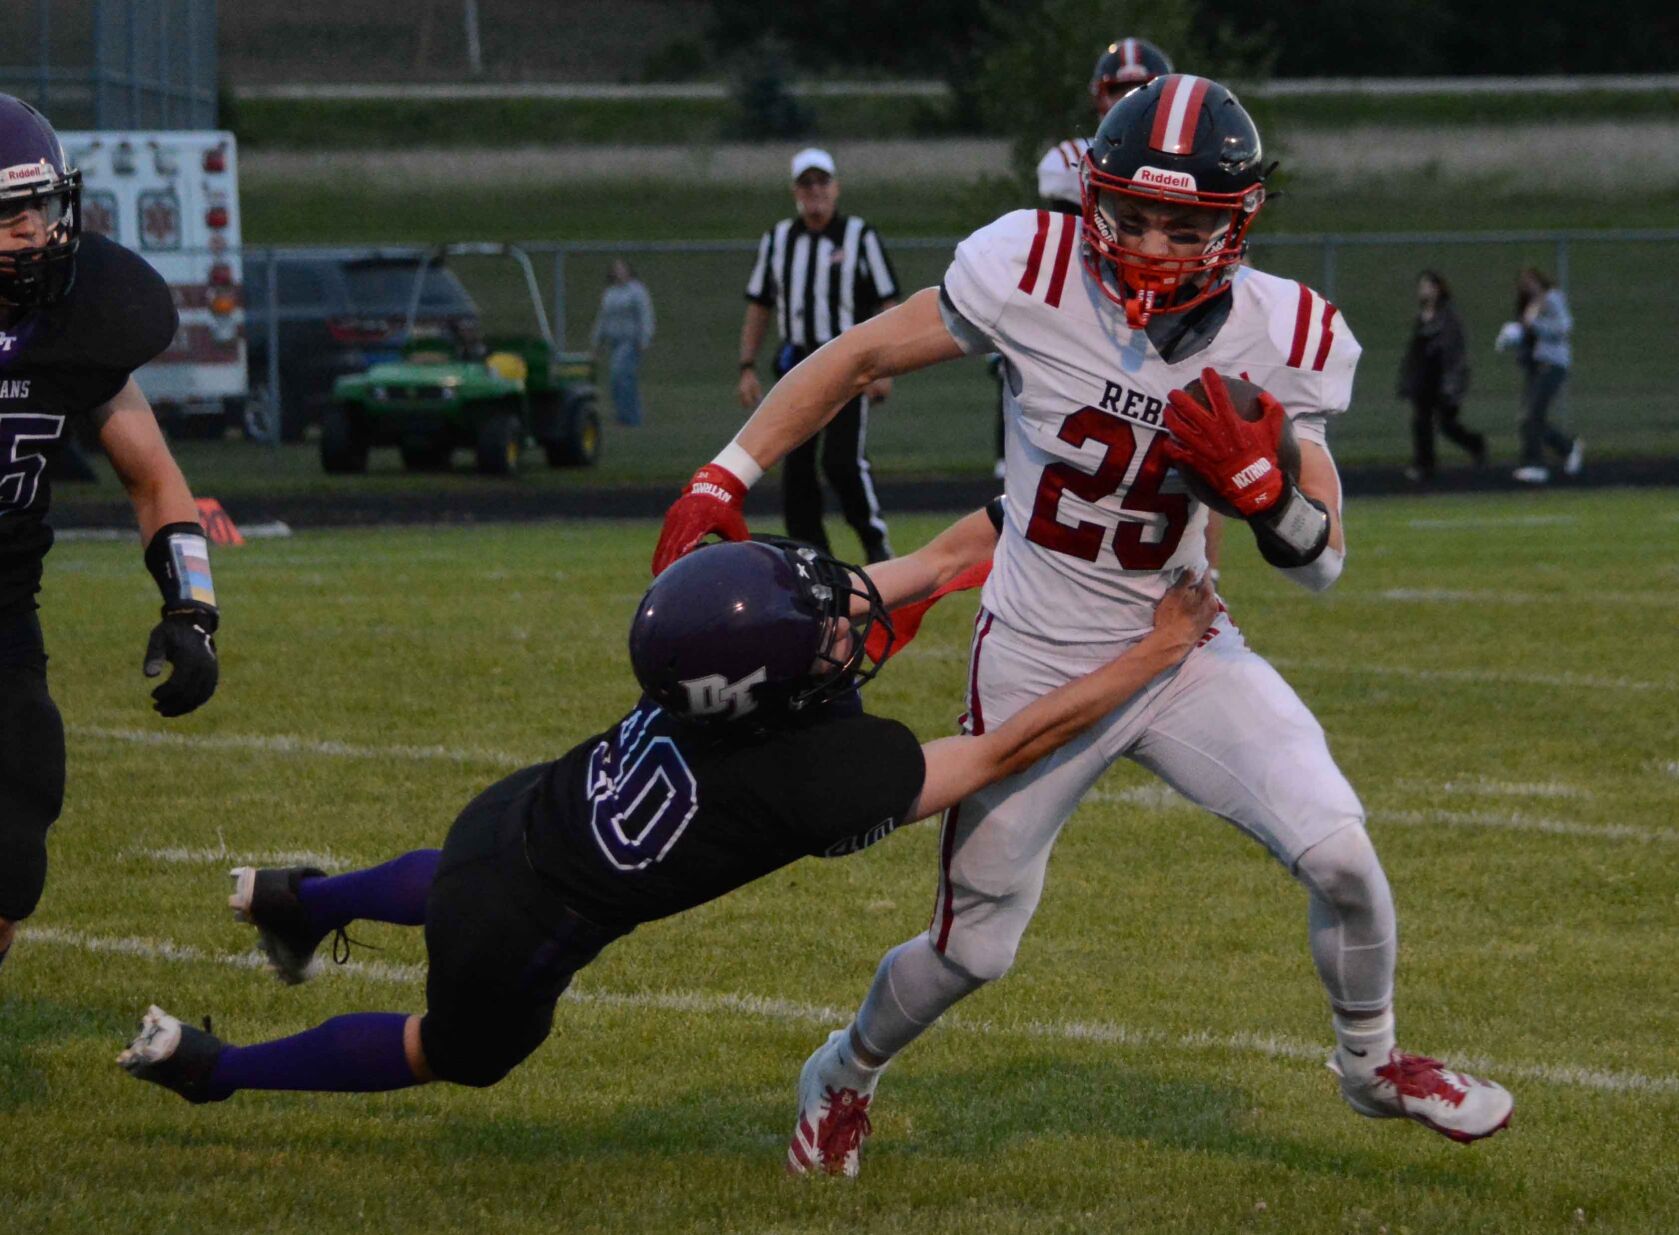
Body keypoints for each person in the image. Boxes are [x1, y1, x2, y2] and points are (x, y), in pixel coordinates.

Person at [651, 74, 1514, 1175]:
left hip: (1185, 646)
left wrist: (1268, 503)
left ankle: (1368, 1060)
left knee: (1341, 853)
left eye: (1184, 222)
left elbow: (1321, 560)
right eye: (1134, 215)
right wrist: (724, 472)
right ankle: (842, 1070)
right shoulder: (1029, 266)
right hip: (1035, 654)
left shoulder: (1283, 329)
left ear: (1233, 222)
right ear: (1094, 200)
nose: (1153, 244)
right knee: (973, 950)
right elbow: (858, 352)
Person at [117, 525, 1220, 1108]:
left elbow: (927, 566)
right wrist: (1156, 649)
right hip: (522, 934)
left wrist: (1054, 490)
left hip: (516, 814)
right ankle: (219, 1067)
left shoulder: (713, 675)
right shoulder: (819, 774)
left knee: (465, 864)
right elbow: (1004, 745)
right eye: (823, 629)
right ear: (769, 685)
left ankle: (297, 900)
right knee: (452, 1051)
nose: (843, 621)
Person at [0, 94, 221, 976]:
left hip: (4, 616)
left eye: (42, 207)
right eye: (9, 213)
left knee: (16, 834)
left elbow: (154, 476)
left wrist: (192, 606)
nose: (35, 231)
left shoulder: (73, 321)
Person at [739, 148, 899, 563]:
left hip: (848, 364)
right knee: (796, 471)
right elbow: (759, 304)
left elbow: (889, 302)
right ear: (795, 190)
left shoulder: (860, 236)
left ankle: (875, 543)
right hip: (795, 364)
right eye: (806, 183)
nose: (815, 191)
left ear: (836, 187)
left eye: (822, 182)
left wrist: (888, 366)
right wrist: (746, 366)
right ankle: (815, 560)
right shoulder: (778, 240)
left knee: (843, 463)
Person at [1396, 270, 1484, 481]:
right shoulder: (1421, 317)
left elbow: (1454, 352)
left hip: (1442, 379)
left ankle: (1475, 443)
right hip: (1423, 379)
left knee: (1447, 424)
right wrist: (1407, 377)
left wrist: (1453, 383)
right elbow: (1415, 351)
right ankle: (1424, 465)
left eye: (1426, 286)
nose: (1422, 290)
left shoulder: (1448, 316)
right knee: (1420, 422)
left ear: (1437, 289)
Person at [1497, 266, 1580, 484]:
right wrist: (1511, 336)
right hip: (1536, 365)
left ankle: (1535, 465)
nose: (1528, 286)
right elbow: (1526, 333)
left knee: (1531, 415)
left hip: (1552, 364)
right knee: (1529, 417)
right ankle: (1568, 448)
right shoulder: (1529, 304)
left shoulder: (1551, 298)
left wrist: (1536, 324)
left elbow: (1564, 327)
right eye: (1524, 283)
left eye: (1531, 281)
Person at [589, 259, 655, 427]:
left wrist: (645, 338)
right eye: (615, 269)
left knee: (621, 375)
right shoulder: (610, 293)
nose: (618, 272)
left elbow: (646, 315)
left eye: (622, 268)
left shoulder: (637, 291)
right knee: (620, 379)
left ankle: (631, 417)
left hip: (630, 341)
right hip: (615, 341)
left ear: (628, 271)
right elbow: (603, 319)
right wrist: (597, 342)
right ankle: (625, 416)